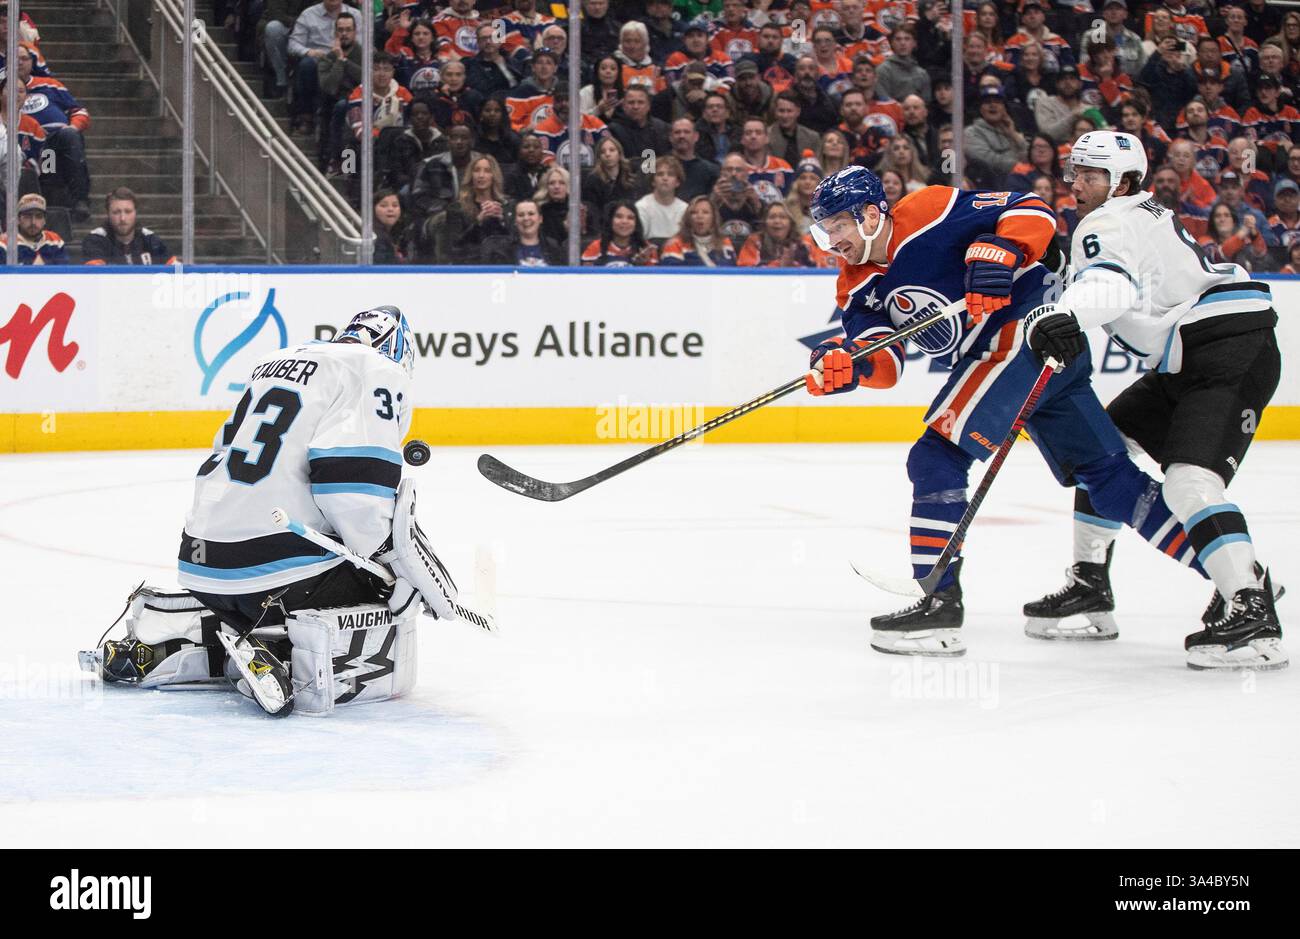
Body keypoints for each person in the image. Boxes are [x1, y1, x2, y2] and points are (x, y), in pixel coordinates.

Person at [803, 165, 1203, 656]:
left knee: (937, 458)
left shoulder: (929, 210)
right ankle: (1238, 579)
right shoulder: (856, 286)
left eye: (838, 225)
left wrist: (1004, 248)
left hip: (1028, 332)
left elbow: (1032, 210)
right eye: (824, 230)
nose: (832, 241)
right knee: (1110, 479)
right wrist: (849, 365)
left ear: (870, 215)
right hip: (1033, 357)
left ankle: (938, 605)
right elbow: (885, 362)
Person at [100, 307, 459, 716]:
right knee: (381, 586)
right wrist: (397, 568)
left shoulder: (274, 362)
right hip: (278, 577)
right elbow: (352, 491)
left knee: (259, 589)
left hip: (201, 565)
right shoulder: (376, 369)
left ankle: (186, 640)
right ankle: (283, 655)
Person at [1020, 130, 1285, 670]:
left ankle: (1251, 605)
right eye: (1076, 173)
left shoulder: (1106, 220)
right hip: (1191, 352)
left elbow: (1111, 287)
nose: (1077, 185)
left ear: (1123, 181)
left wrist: (1063, 315)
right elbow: (1112, 278)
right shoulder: (1137, 212)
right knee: (1101, 450)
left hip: (1224, 348)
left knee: (1190, 483)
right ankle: (1091, 583)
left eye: (1091, 175)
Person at [82, 188, 176, 265]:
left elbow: (177, 272)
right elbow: (96, 276)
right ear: (108, 214)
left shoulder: (150, 239)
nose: (122, 218)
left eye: (128, 211)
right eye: (116, 212)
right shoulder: (95, 240)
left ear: (136, 212)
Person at [481, 199, 567, 265]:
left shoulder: (553, 248)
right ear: (515, 220)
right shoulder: (502, 249)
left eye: (531, 214)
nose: (526, 218)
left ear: (540, 219)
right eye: (521, 215)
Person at [659, 195, 737, 266]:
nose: (700, 216)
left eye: (705, 212)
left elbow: (731, 270)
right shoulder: (675, 243)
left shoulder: (724, 242)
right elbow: (671, 273)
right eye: (694, 213)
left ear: (714, 218)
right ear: (688, 218)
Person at [581, 199, 659, 266]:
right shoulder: (596, 247)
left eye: (630, 218)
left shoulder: (646, 249)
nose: (624, 221)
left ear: (636, 223)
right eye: (619, 216)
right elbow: (587, 277)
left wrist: (641, 265)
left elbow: (653, 278)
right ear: (610, 220)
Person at [0, 192, 68, 264]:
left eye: (39, 216)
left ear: (44, 220)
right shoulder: (4, 243)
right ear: (18, 219)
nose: (33, 222)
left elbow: (63, 270)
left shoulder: (55, 241)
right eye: (27, 216)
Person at [635, 155, 688, 242]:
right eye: (660, 174)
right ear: (653, 181)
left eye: (670, 174)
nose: (665, 178)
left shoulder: (685, 209)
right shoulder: (642, 206)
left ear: (677, 182)